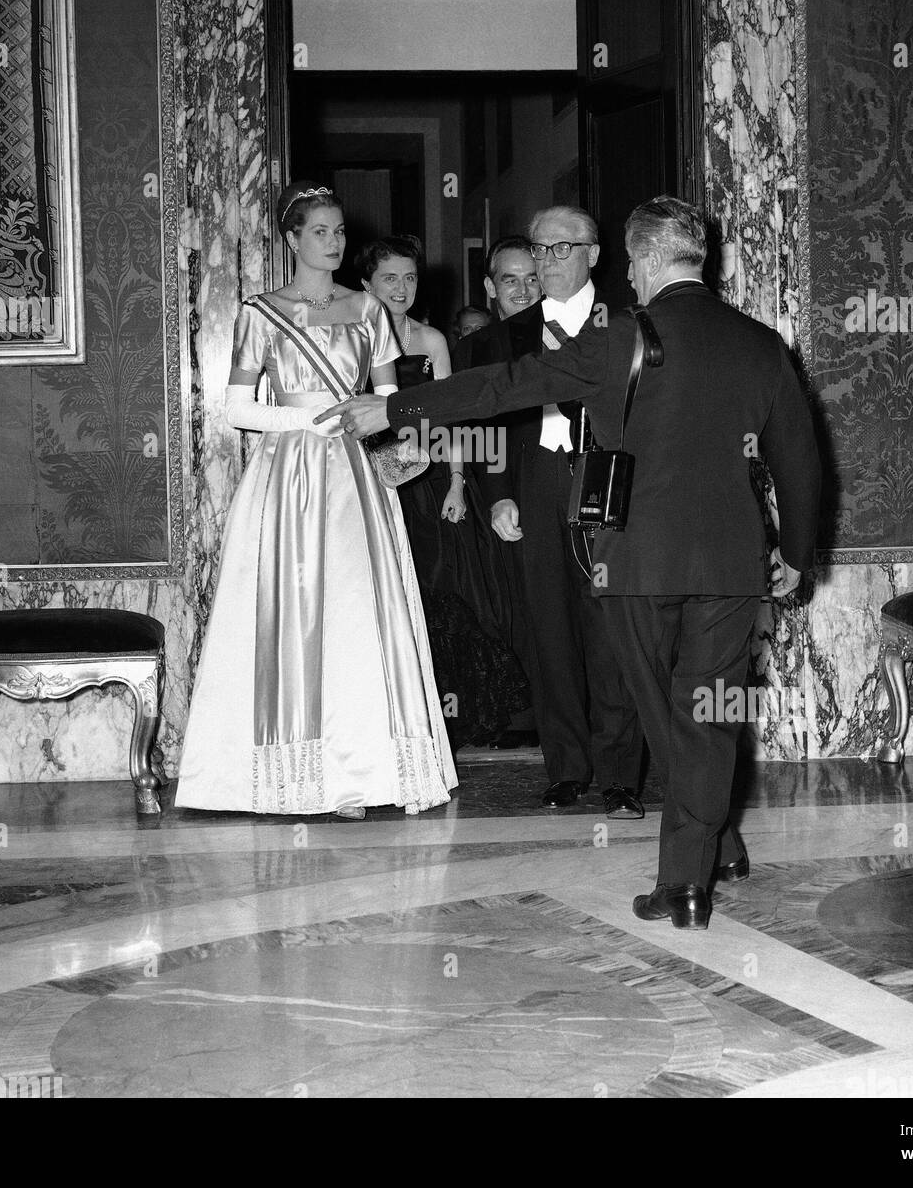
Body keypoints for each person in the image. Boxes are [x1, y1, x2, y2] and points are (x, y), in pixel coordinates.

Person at [321, 194, 821, 929]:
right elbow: (802, 466)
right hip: (733, 563)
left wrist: (398, 410)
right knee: (709, 717)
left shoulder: (622, 336)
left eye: (629, 260)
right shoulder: (761, 342)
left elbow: (507, 385)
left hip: (634, 563)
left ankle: (685, 881)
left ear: (646, 260)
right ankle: (721, 841)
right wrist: (796, 555)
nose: (630, 272)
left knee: (666, 714)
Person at [174, 182, 457, 821]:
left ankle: (358, 774)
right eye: (321, 232)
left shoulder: (367, 311)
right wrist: (306, 422)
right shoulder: (259, 313)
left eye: (339, 232)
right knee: (290, 611)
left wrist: (401, 438)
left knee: (358, 613)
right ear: (293, 239)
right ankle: (290, 776)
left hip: (353, 476)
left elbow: (390, 398)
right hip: (287, 473)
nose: (333, 243)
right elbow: (236, 408)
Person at [453, 212, 644, 819]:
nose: (550, 258)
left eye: (564, 247)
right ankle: (566, 767)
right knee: (549, 631)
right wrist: (501, 489)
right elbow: (489, 416)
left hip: (608, 484)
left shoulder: (628, 326)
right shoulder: (508, 335)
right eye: (541, 247)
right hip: (535, 482)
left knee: (612, 633)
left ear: (594, 254)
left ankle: (619, 773)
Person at [358, 235, 529, 748]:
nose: (402, 288)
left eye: (410, 277)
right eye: (390, 278)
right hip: (371, 480)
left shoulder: (432, 340)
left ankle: (446, 719)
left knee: (444, 593)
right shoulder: (351, 338)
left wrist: (457, 480)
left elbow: (452, 415)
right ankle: (392, 722)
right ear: (367, 285)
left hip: (430, 483)